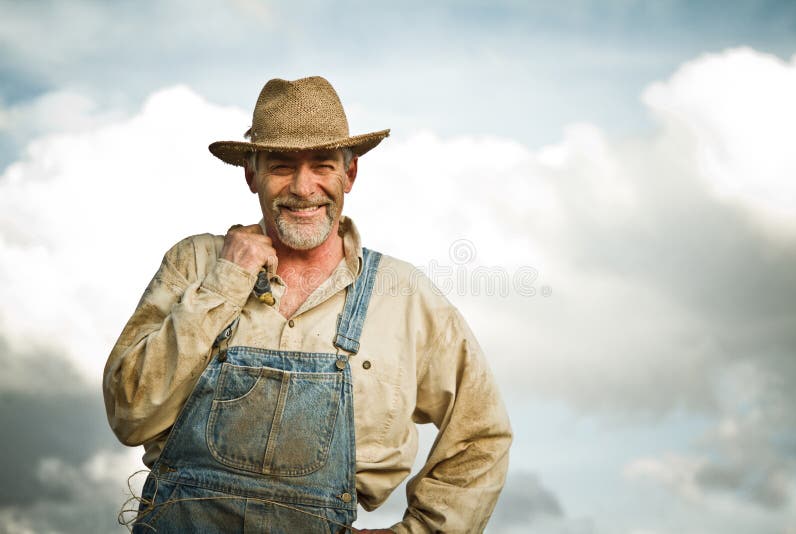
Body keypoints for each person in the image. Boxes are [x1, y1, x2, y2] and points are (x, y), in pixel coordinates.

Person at [103, 76, 512, 533]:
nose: (303, 187)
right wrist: (226, 283)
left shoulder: (404, 296)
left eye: (322, 165)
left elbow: (481, 435)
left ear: (349, 175)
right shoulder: (197, 263)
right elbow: (128, 413)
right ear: (251, 174)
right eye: (281, 166)